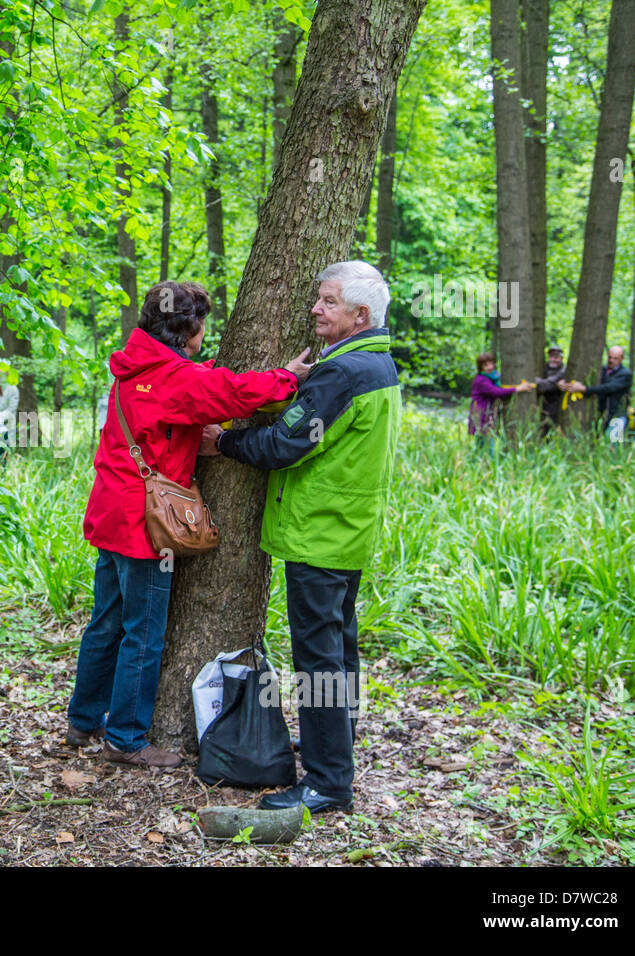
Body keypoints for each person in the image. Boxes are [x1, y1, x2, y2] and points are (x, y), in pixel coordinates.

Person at [70, 280, 307, 769]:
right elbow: (234, 394)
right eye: (201, 325)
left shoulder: (133, 366)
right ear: (187, 328)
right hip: (146, 525)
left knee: (106, 623)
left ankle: (83, 719)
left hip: (111, 511)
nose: (204, 334)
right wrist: (288, 376)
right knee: (143, 631)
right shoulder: (174, 378)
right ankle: (126, 739)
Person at [203, 260, 400, 813]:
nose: (315, 307)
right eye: (319, 297)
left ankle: (329, 783)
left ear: (360, 314)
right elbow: (309, 417)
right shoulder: (373, 364)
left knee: (320, 663)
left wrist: (223, 444)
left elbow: (285, 444)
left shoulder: (345, 373)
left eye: (328, 301)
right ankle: (333, 749)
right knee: (338, 652)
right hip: (346, 531)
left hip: (320, 535)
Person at [468, 353, 534, 454]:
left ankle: (477, 463)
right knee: (486, 443)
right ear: (480, 367)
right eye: (486, 365)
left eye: (491, 364)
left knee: (481, 444)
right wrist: (518, 388)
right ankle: (487, 465)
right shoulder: (481, 380)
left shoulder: (492, 377)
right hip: (481, 415)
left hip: (487, 414)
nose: (490, 367)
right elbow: (497, 392)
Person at [560, 346, 633, 436]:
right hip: (600, 414)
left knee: (612, 443)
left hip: (617, 415)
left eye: (615, 358)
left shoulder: (625, 374)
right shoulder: (602, 370)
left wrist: (584, 389)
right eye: (610, 357)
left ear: (622, 359)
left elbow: (608, 388)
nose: (611, 360)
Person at [534, 346, 567, 436]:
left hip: (556, 406)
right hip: (540, 405)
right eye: (551, 357)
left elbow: (543, 385)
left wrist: (549, 383)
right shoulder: (543, 368)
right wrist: (555, 384)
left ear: (561, 358)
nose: (553, 360)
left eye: (556, 357)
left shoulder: (564, 370)